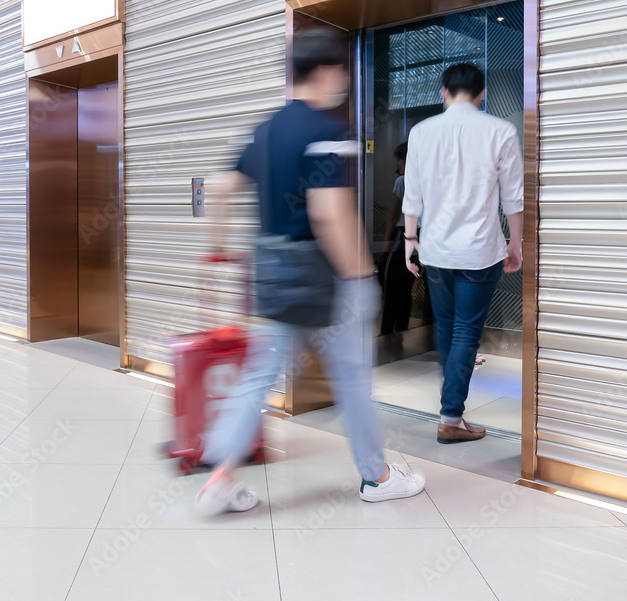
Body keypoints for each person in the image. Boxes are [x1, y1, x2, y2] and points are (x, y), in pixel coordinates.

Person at [195, 29, 426, 515]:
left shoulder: (265, 130)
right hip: (324, 282)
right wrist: (360, 278)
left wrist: (217, 252)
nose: (343, 80)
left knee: (258, 375)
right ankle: (377, 476)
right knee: (352, 379)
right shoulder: (326, 131)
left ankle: (220, 476)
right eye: (341, 70)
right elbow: (328, 213)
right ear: (325, 71)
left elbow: (217, 188)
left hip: (275, 275)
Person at [402, 63, 523, 444]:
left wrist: (410, 240)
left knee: (445, 324)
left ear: (443, 92)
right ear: (482, 93)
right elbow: (513, 196)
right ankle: (451, 417)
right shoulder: (500, 130)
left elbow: (412, 194)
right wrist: (515, 243)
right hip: (479, 251)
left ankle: (450, 396)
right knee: (466, 331)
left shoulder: (421, 132)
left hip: (436, 250)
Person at [379, 143, 416, 336]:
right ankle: (402, 329)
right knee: (406, 287)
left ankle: (386, 333)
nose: (397, 165)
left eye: (399, 160)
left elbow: (393, 217)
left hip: (402, 236)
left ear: (406, 159)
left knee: (392, 287)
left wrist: (386, 246)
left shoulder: (402, 181)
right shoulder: (427, 180)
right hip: (422, 235)